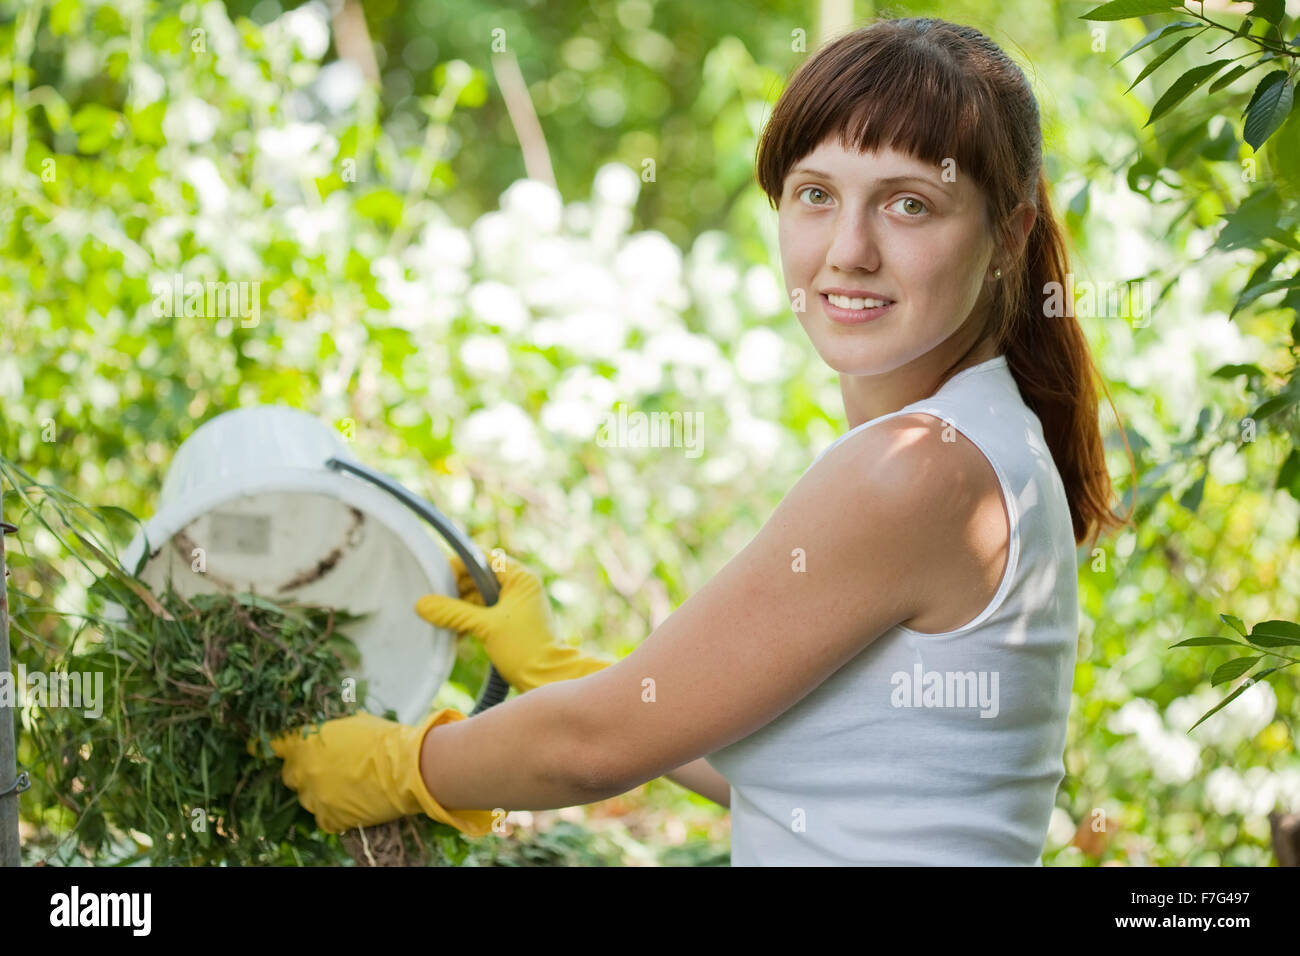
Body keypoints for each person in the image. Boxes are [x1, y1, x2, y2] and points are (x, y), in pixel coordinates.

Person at [265, 16, 1132, 865]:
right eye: (816, 195)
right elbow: (817, 779)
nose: (849, 250)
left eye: (910, 204)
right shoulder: (978, 439)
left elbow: (594, 748)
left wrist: (400, 766)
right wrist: (566, 672)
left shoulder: (919, 473)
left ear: (1008, 236)